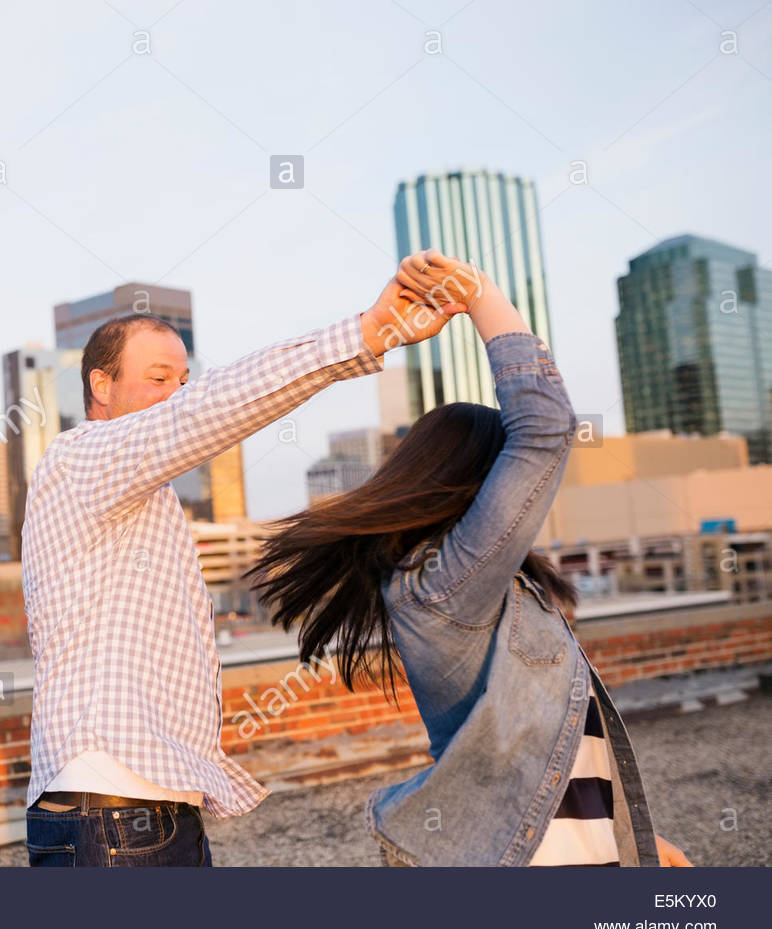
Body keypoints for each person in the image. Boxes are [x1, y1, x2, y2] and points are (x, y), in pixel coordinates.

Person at [248, 250, 694, 867]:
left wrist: (638, 844)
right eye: (505, 475)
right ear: (475, 481)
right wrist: (480, 293)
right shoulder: (441, 586)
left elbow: (546, 752)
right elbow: (544, 426)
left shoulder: (497, 591)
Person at [19, 259, 463, 866]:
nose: (176, 394)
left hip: (146, 815)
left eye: (182, 379)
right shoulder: (81, 461)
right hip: (115, 820)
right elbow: (207, 409)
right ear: (101, 385)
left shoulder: (144, 493)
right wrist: (365, 334)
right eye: (157, 378)